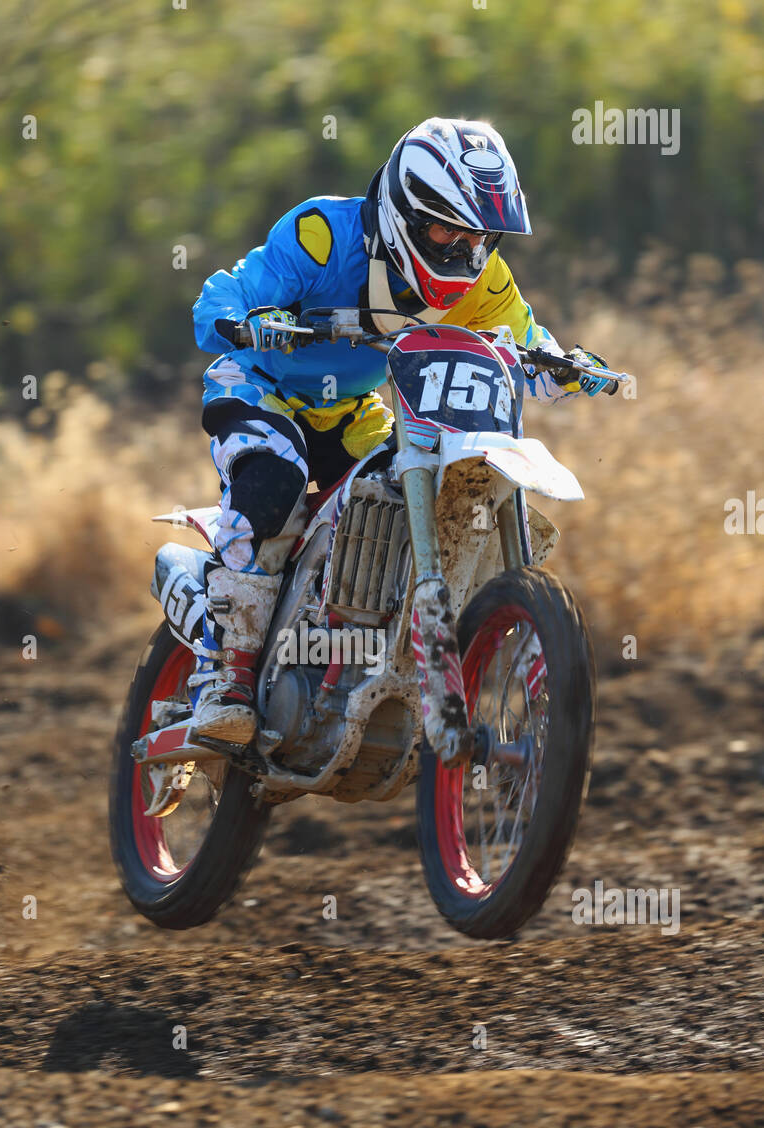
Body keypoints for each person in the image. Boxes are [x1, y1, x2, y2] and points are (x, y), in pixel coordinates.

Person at [188, 116, 610, 744]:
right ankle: (222, 675)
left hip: (352, 412)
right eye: (448, 231)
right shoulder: (321, 236)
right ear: (404, 213)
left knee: (396, 491)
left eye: (482, 237)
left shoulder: (481, 278)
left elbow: (524, 343)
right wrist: (244, 323)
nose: (467, 254)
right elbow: (221, 297)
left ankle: (353, 641)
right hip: (260, 387)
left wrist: (568, 367)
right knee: (276, 482)